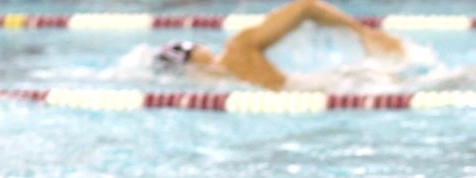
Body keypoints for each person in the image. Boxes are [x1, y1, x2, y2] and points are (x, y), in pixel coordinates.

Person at [156, 0, 408, 91]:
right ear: (196, 56)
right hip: (343, 85)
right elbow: (306, 5)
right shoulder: (237, 50)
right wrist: (362, 31)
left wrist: (362, 32)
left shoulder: (219, 82)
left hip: (342, 84)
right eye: (193, 46)